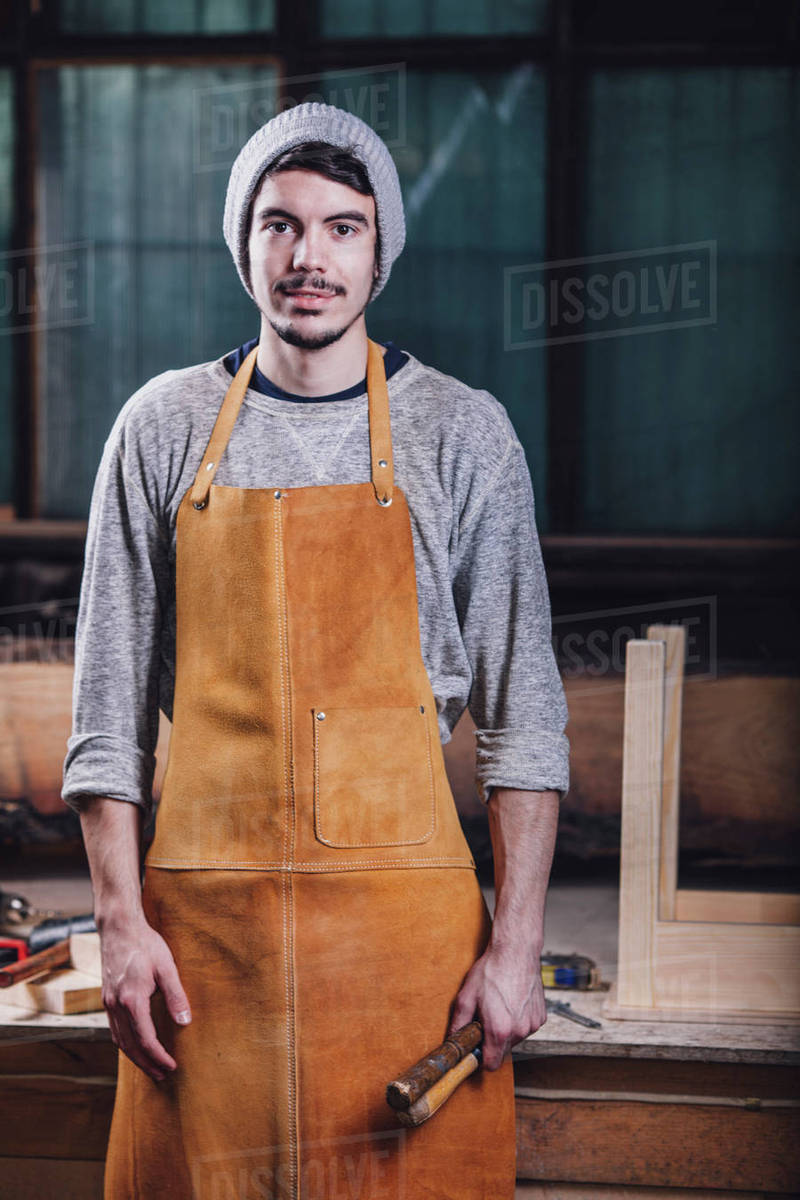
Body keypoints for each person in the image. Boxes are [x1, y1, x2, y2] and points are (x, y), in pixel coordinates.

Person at [62, 101, 570, 1199]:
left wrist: (515, 944)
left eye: (342, 228)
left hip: (405, 959)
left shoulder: (460, 432)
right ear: (243, 246)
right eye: (280, 225)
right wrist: (119, 925)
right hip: (202, 959)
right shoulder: (160, 429)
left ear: (380, 250)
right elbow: (104, 716)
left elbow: (524, 716)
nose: (308, 257)